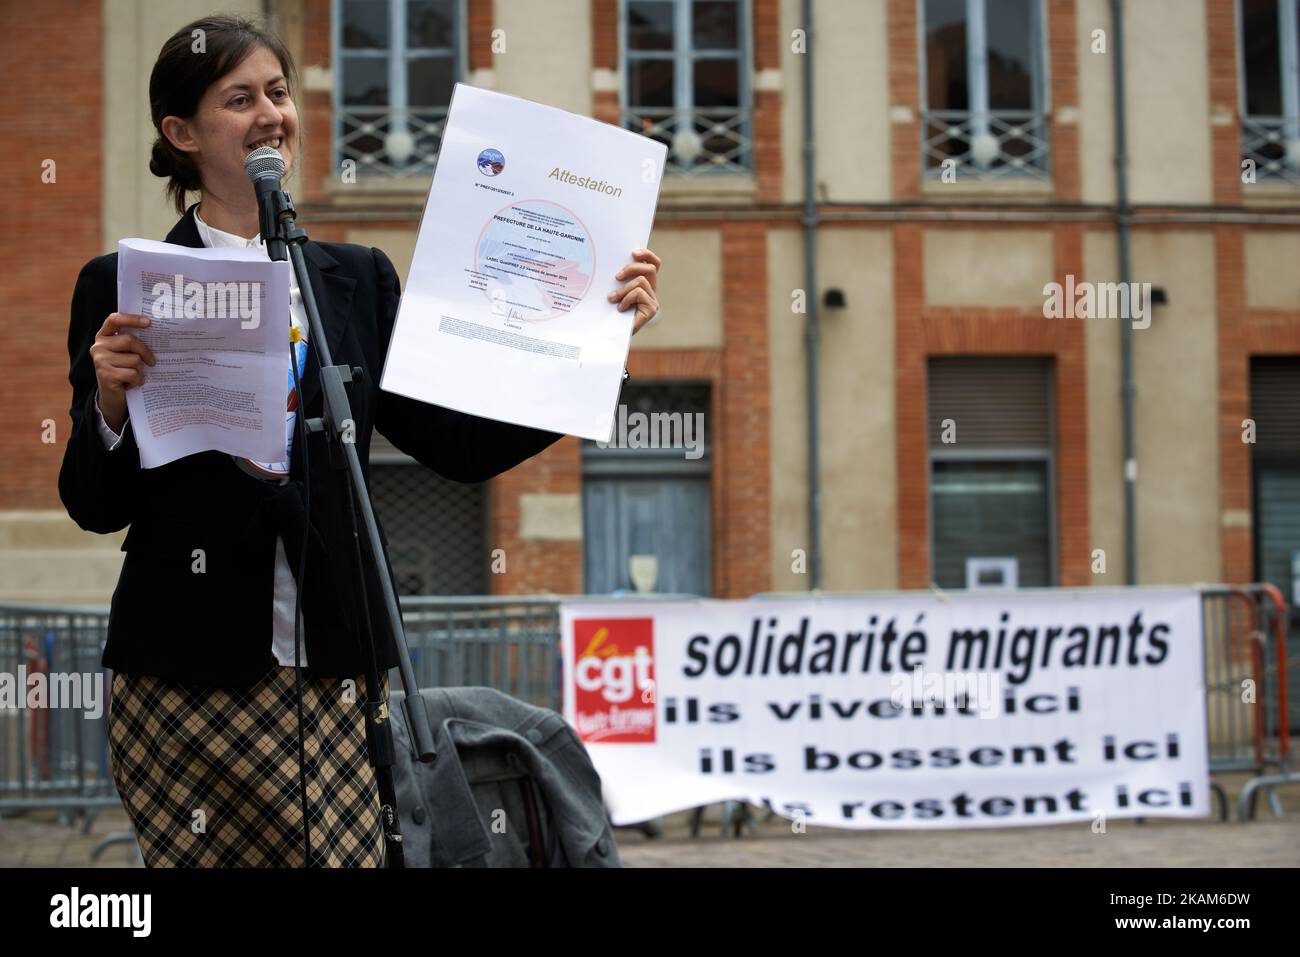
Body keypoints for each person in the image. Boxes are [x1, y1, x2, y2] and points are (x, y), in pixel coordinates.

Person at [59, 14, 662, 868]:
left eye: (278, 92)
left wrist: (597, 354)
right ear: (182, 133)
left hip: (333, 679)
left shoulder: (355, 281)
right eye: (239, 99)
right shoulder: (124, 284)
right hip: (180, 676)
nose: (270, 113)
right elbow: (92, 501)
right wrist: (111, 406)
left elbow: (454, 442)